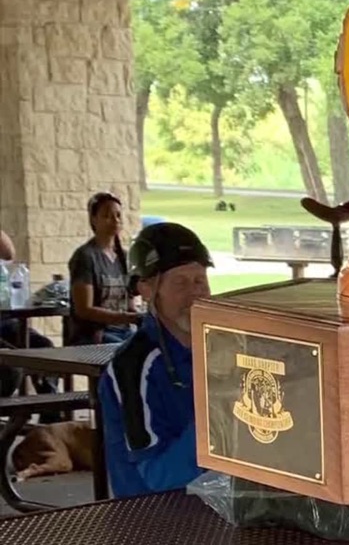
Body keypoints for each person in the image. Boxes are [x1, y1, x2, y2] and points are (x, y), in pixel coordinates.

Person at [97, 222, 213, 498]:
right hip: (153, 516)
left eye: (200, 280)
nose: (195, 293)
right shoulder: (134, 365)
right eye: (180, 283)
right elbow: (158, 477)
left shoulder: (220, 348)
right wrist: (223, 419)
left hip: (216, 504)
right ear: (147, 290)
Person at [67, 192, 138, 345]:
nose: (115, 220)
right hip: (95, 334)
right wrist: (124, 317)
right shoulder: (85, 257)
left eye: (118, 215)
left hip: (124, 330)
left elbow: (129, 303)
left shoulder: (124, 257)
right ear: (93, 219)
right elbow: (84, 309)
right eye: (107, 215)